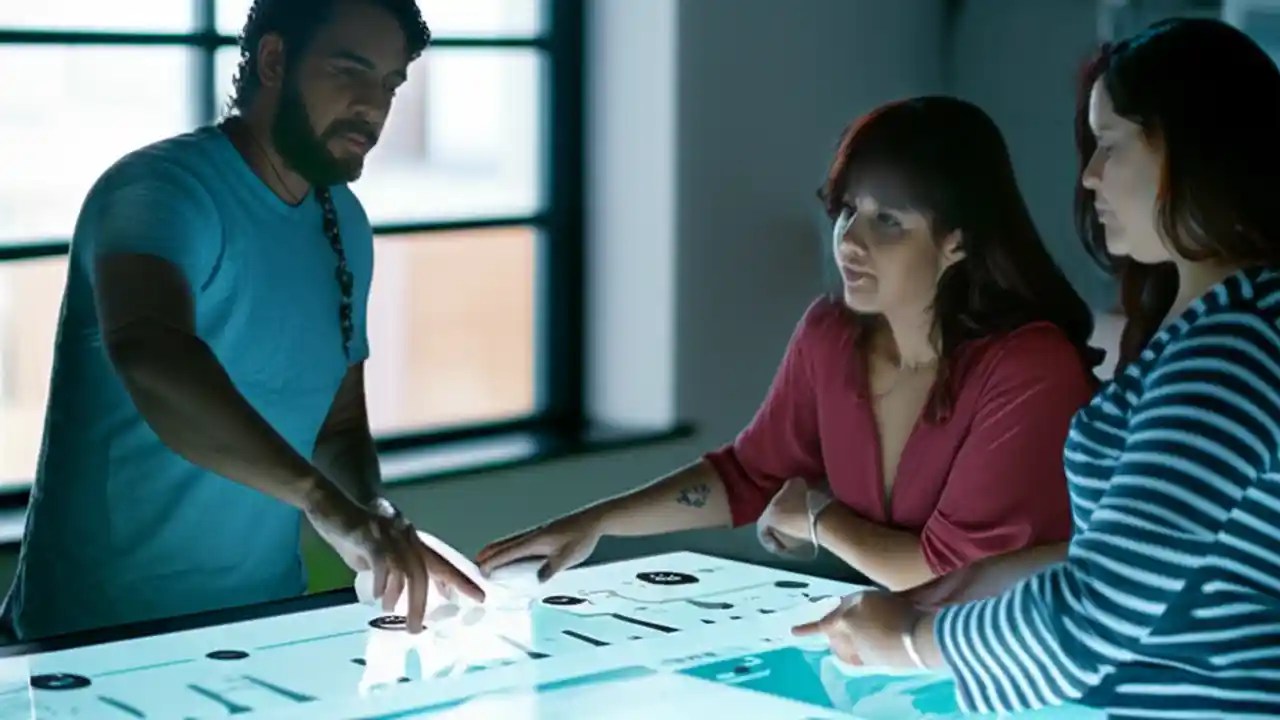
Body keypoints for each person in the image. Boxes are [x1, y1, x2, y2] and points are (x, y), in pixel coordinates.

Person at [791, 17, 1280, 719]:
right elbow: (1118, 555)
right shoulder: (1219, 324)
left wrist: (913, 643)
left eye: (1111, 144)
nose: (1089, 175)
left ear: (1199, 149)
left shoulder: (1229, 353)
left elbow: (1095, 610)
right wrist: (937, 599)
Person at [0, 0, 483, 642]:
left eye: (390, 85)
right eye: (349, 71)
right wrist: (323, 503)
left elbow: (337, 425)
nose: (373, 106)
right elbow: (153, 353)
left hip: (263, 623)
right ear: (275, 60)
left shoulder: (347, 225)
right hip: (93, 636)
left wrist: (374, 518)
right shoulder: (156, 191)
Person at [477, 96, 1101, 592]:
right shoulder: (830, 337)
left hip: (1029, 667)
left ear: (957, 242)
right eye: (848, 210)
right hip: (902, 650)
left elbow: (954, 576)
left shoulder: (1031, 367)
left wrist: (820, 518)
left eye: (888, 221)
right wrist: (594, 524)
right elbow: (749, 475)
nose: (850, 240)